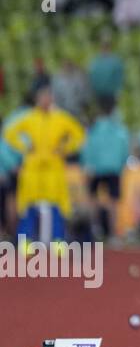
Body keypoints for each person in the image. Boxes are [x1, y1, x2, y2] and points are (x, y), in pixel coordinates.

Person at [2, 87, 85, 245]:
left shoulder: (61, 118)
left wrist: (64, 148)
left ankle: (58, 241)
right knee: (28, 205)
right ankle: (25, 241)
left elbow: (79, 134)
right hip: (33, 169)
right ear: (37, 100)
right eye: (43, 98)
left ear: (52, 99)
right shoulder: (29, 117)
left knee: (57, 205)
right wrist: (24, 146)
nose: (45, 101)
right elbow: (9, 133)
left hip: (54, 169)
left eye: (48, 97)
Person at [80, 102, 131, 241]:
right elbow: (125, 149)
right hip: (113, 168)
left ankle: (95, 230)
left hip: (95, 169)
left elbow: (87, 147)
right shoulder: (119, 129)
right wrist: (121, 165)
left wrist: (87, 165)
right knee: (113, 203)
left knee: (93, 200)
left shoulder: (94, 129)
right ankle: (113, 233)